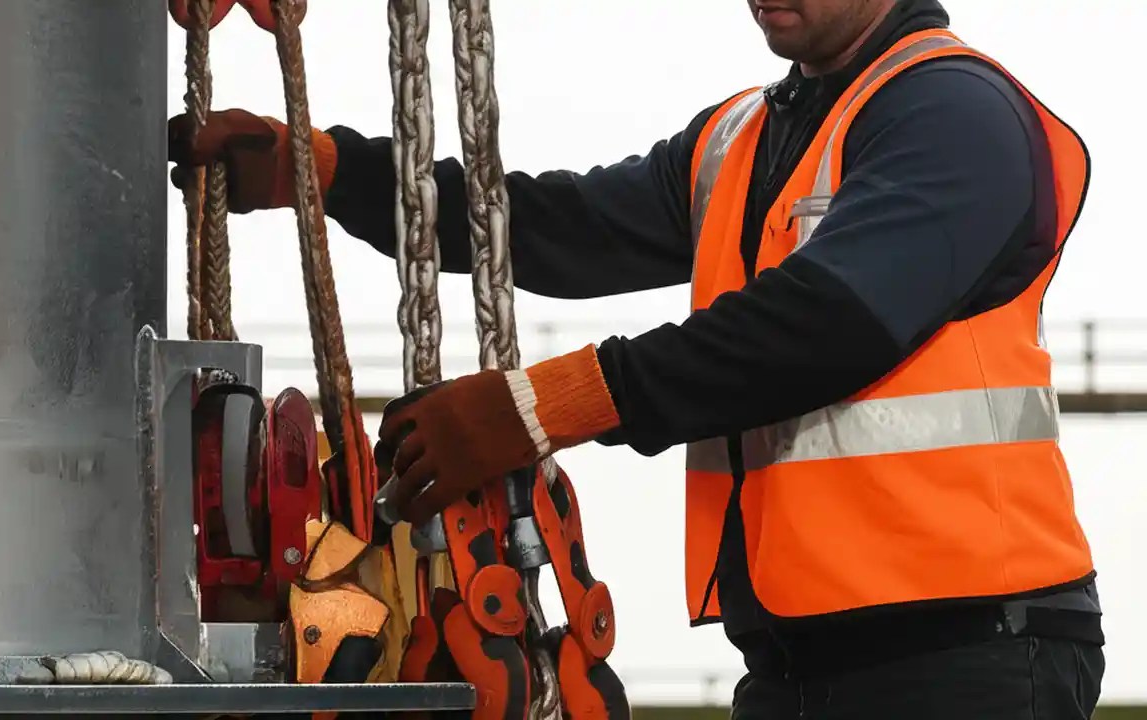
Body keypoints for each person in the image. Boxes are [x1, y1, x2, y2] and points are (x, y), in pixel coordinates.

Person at [167, 0, 1106, 716]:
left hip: (971, 651)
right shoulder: (749, 133)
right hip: (797, 662)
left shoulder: (957, 113)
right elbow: (554, 228)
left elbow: (822, 326)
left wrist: (536, 408)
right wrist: (328, 170)